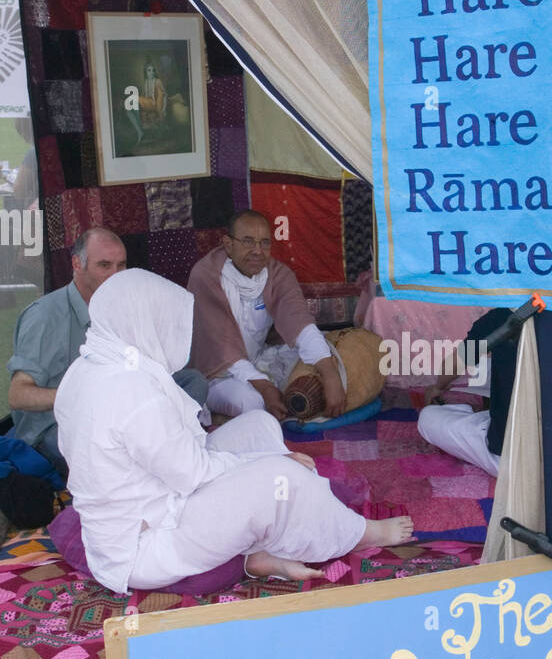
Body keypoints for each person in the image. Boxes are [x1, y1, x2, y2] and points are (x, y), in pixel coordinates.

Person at [54, 269, 413, 594]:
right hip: (148, 544)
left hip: (149, 506)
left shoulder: (88, 368)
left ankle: (258, 549)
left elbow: (175, 462)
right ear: (141, 321)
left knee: (259, 426)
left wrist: (255, 456)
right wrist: (271, 461)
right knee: (280, 477)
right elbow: (192, 475)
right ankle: (356, 534)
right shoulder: (132, 391)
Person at [7, 226, 207, 476]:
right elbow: (18, 396)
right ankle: (151, 455)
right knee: (91, 450)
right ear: (77, 264)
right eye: (105, 265)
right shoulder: (45, 316)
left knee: (193, 382)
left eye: (121, 265)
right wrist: (82, 394)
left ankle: (153, 450)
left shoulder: (124, 303)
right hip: (59, 423)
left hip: (118, 410)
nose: (116, 275)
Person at [188, 210, 347, 421]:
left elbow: (300, 323)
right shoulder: (206, 276)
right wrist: (266, 388)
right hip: (217, 374)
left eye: (264, 243)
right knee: (253, 403)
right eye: (248, 241)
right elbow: (222, 351)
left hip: (258, 361)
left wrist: (330, 374)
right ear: (228, 244)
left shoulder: (277, 274)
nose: (257, 251)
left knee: (331, 359)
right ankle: (217, 417)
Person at [417, 308, 517, 476]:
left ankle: (482, 420)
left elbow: (455, 364)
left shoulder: (504, 317)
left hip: (513, 460)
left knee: (428, 418)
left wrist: (438, 387)